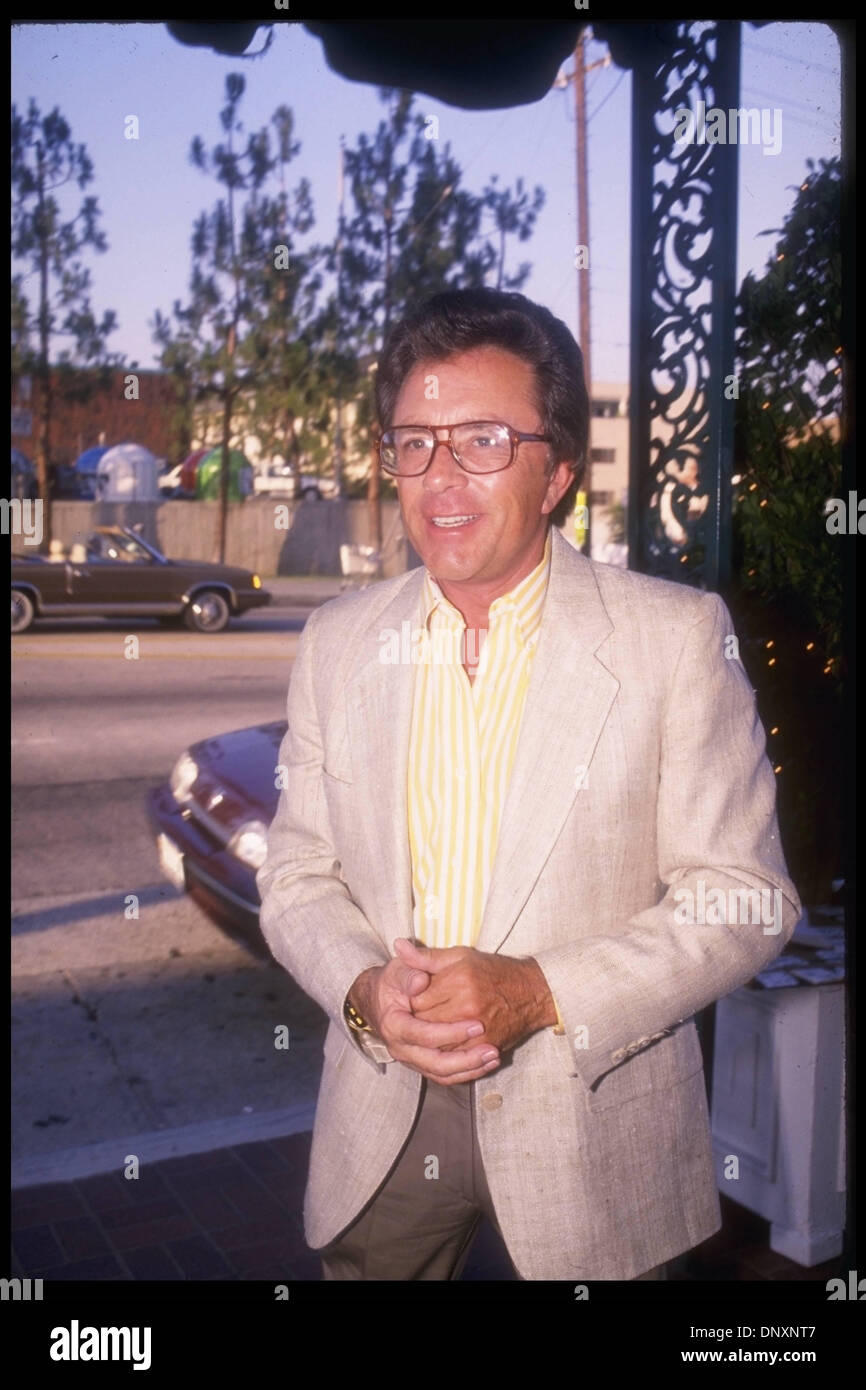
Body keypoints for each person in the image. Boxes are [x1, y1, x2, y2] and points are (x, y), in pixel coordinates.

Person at [256, 287, 800, 1281]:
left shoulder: (669, 638)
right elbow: (295, 872)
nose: (439, 475)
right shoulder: (337, 642)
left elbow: (744, 895)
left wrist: (539, 990)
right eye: (413, 440)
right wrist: (367, 990)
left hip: (592, 1122)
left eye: (482, 439)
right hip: (383, 1115)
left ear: (552, 473)